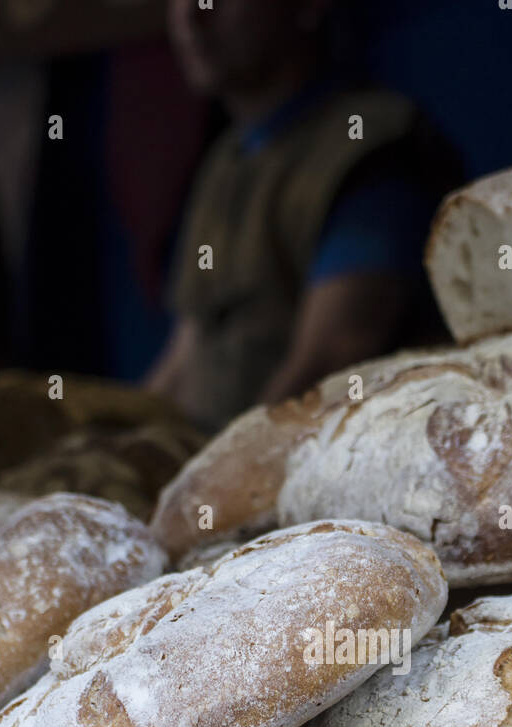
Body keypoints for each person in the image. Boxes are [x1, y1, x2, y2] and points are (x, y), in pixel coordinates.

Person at [147, 0, 456, 433]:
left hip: (301, 473)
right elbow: (186, 354)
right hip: (211, 465)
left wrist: (208, 479)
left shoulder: (367, 148)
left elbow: (328, 361)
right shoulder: (226, 161)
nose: (192, 15)